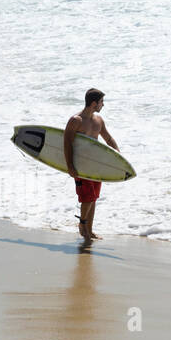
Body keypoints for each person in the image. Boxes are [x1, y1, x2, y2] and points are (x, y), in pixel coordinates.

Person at [64, 88, 120, 244]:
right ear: (94, 103)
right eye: (102, 102)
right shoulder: (76, 120)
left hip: (95, 166)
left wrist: (118, 156)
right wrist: (70, 165)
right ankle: (82, 226)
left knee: (94, 198)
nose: (103, 105)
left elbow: (108, 138)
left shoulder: (98, 121)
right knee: (87, 197)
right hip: (81, 166)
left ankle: (90, 229)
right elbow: (66, 143)